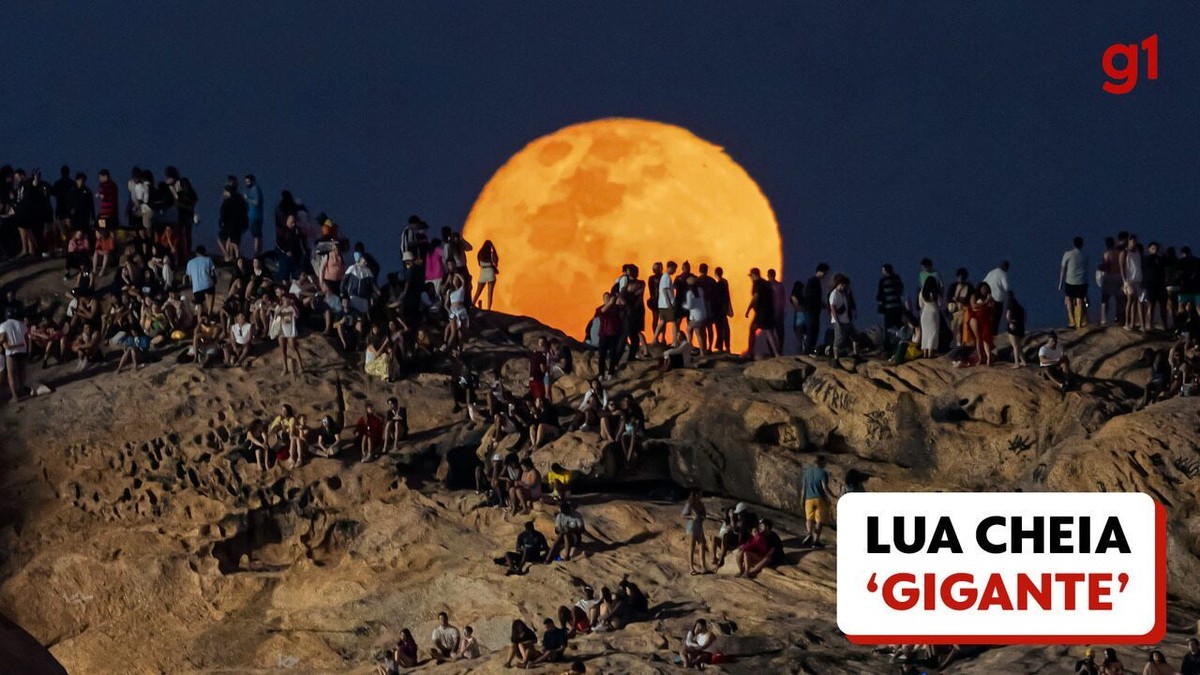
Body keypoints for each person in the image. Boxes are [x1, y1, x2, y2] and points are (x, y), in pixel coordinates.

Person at [746, 268, 780, 357]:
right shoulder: (766, 283)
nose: (751, 278)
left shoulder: (756, 284)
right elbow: (772, 297)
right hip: (769, 311)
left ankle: (750, 352)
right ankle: (776, 353)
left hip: (761, 313)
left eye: (751, 276)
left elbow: (755, 297)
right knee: (769, 332)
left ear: (754, 275)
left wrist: (749, 309)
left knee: (752, 329)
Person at [1060, 236, 1090, 329]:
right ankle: (1079, 323)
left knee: (1068, 299)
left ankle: (1072, 320)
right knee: (1080, 300)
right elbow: (1086, 268)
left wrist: (1060, 282)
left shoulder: (1067, 254)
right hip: (1082, 280)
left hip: (1070, 280)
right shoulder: (1085, 255)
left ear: (1073, 244)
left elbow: (1063, 269)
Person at [801, 456, 831, 548]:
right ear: (821, 462)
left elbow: (804, 488)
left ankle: (809, 533)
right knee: (819, 521)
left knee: (809, 518)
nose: (825, 464)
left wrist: (802, 499)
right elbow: (824, 488)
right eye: (825, 462)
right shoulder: (823, 473)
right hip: (819, 499)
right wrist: (832, 496)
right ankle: (816, 541)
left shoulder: (807, 472)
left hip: (808, 499)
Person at [1, 308, 29, 400]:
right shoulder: (21, 324)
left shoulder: (3, 325)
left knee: (11, 375)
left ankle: (15, 396)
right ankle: (21, 390)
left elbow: (3, 340)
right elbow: (26, 338)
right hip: (22, 350)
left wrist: (8, 345)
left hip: (11, 352)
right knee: (21, 373)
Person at [828, 274, 858, 361]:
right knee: (838, 340)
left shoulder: (843, 294)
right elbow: (832, 308)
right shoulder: (834, 294)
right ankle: (835, 359)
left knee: (855, 336)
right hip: (839, 321)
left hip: (846, 320)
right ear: (840, 284)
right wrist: (837, 321)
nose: (845, 287)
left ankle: (856, 354)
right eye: (844, 285)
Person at [801, 263, 828, 354]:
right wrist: (821, 304)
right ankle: (808, 350)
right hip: (811, 310)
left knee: (813, 330)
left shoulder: (814, 281)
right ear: (821, 271)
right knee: (812, 330)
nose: (825, 275)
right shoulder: (813, 281)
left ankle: (810, 349)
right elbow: (812, 297)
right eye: (825, 272)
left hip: (813, 310)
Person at [877, 264, 905, 352]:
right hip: (897, 307)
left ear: (885, 271)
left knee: (888, 328)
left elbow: (880, 296)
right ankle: (902, 343)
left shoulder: (883, 281)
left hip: (888, 309)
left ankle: (889, 348)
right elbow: (901, 289)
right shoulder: (897, 279)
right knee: (900, 326)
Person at [682, 489, 709, 575]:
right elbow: (682, 515)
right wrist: (692, 517)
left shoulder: (701, 504)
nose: (702, 495)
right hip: (692, 527)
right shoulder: (690, 504)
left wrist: (703, 517)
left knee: (702, 544)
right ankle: (691, 567)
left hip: (699, 526)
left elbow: (704, 514)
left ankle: (703, 566)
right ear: (696, 495)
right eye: (700, 493)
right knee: (692, 546)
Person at [981, 260, 1010, 337]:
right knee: (996, 318)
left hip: (988, 298)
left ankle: (986, 334)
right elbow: (1006, 287)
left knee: (988, 317)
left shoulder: (991, 272)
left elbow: (983, 282)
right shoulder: (1003, 274)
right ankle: (993, 335)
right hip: (997, 299)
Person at [1121, 236, 1144, 331]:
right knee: (1129, 300)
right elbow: (1121, 267)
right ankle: (1127, 322)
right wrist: (1125, 281)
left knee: (1135, 301)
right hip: (1129, 280)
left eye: (1135, 241)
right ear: (1129, 242)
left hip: (1138, 279)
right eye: (1133, 241)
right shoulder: (1125, 253)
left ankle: (1133, 323)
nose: (1134, 243)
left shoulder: (1138, 253)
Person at [185, 246, 216, 315]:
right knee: (210, 297)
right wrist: (215, 281)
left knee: (199, 305)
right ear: (204, 252)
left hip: (197, 287)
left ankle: (199, 318)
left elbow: (190, 278)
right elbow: (213, 274)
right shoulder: (208, 259)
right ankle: (209, 314)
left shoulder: (190, 263)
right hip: (208, 284)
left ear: (196, 253)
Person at [653, 261, 679, 345]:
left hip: (662, 304)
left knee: (662, 321)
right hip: (667, 304)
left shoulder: (665, 277)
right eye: (674, 269)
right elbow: (665, 290)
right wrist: (669, 304)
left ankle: (654, 339)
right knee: (674, 321)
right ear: (670, 267)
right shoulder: (666, 277)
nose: (675, 271)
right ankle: (675, 341)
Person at [712, 267, 733, 353]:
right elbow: (727, 297)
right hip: (724, 308)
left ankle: (721, 347)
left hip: (719, 309)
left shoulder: (718, 285)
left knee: (720, 328)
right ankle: (727, 346)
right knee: (725, 328)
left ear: (716, 273)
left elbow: (716, 298)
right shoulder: (725, 282)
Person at [473, 239, 499, 309]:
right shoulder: (491, 254)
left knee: (478, 291)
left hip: (483, 272)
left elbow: (479, 264)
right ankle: (488, 308)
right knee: (490, 293)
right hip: (490, 272)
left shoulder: (480, 253)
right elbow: (496, 264)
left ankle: (472, 304)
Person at [918, 276, 941, 359]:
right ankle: (931, 352)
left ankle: (925, 352)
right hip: (934, 313)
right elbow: (940, 304)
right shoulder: (935, 293)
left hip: (925, 313)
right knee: (933, 333)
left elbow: (920, 305)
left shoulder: (922, 293)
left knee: (925, 334)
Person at [243, 175, 264, 257]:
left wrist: (247, 199)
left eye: (248, 181)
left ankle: (257, 253)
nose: (247, 184)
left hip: (256, 216)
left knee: (257, 235)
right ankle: (257, 253)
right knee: (256, 235)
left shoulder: (255, 189)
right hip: (253, 216)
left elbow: (256, 202)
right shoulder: (253, 189)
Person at [1006, 292, 1028, 368]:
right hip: (1020, 326)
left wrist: (1010, 322)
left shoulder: (1010, 304)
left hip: (1013, 325)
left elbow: (1008, 315)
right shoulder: (1019, 306)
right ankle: (1023, 361)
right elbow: (1024, 316)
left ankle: (1016, 363)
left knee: (1014, 345)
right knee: (1018, 345)